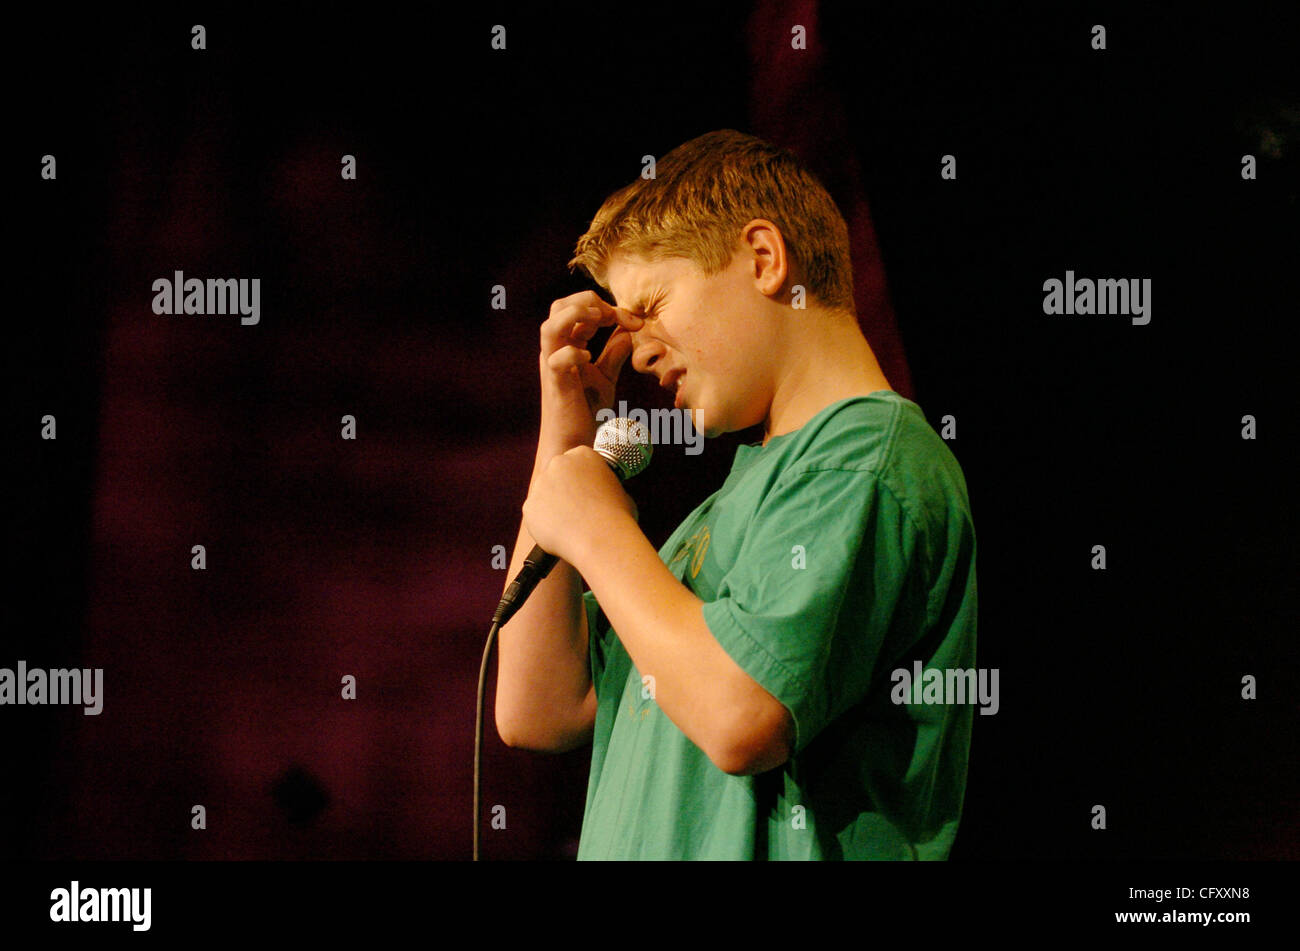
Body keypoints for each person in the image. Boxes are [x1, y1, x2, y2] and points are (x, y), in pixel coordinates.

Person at [494, 129, 977, 859]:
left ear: (763, 258)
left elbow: (738, 715)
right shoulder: (713, 515)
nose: (641, 350)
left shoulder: (865, 458)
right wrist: (565, 434)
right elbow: (536, 708)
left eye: (651, 304)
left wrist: (597, 529)